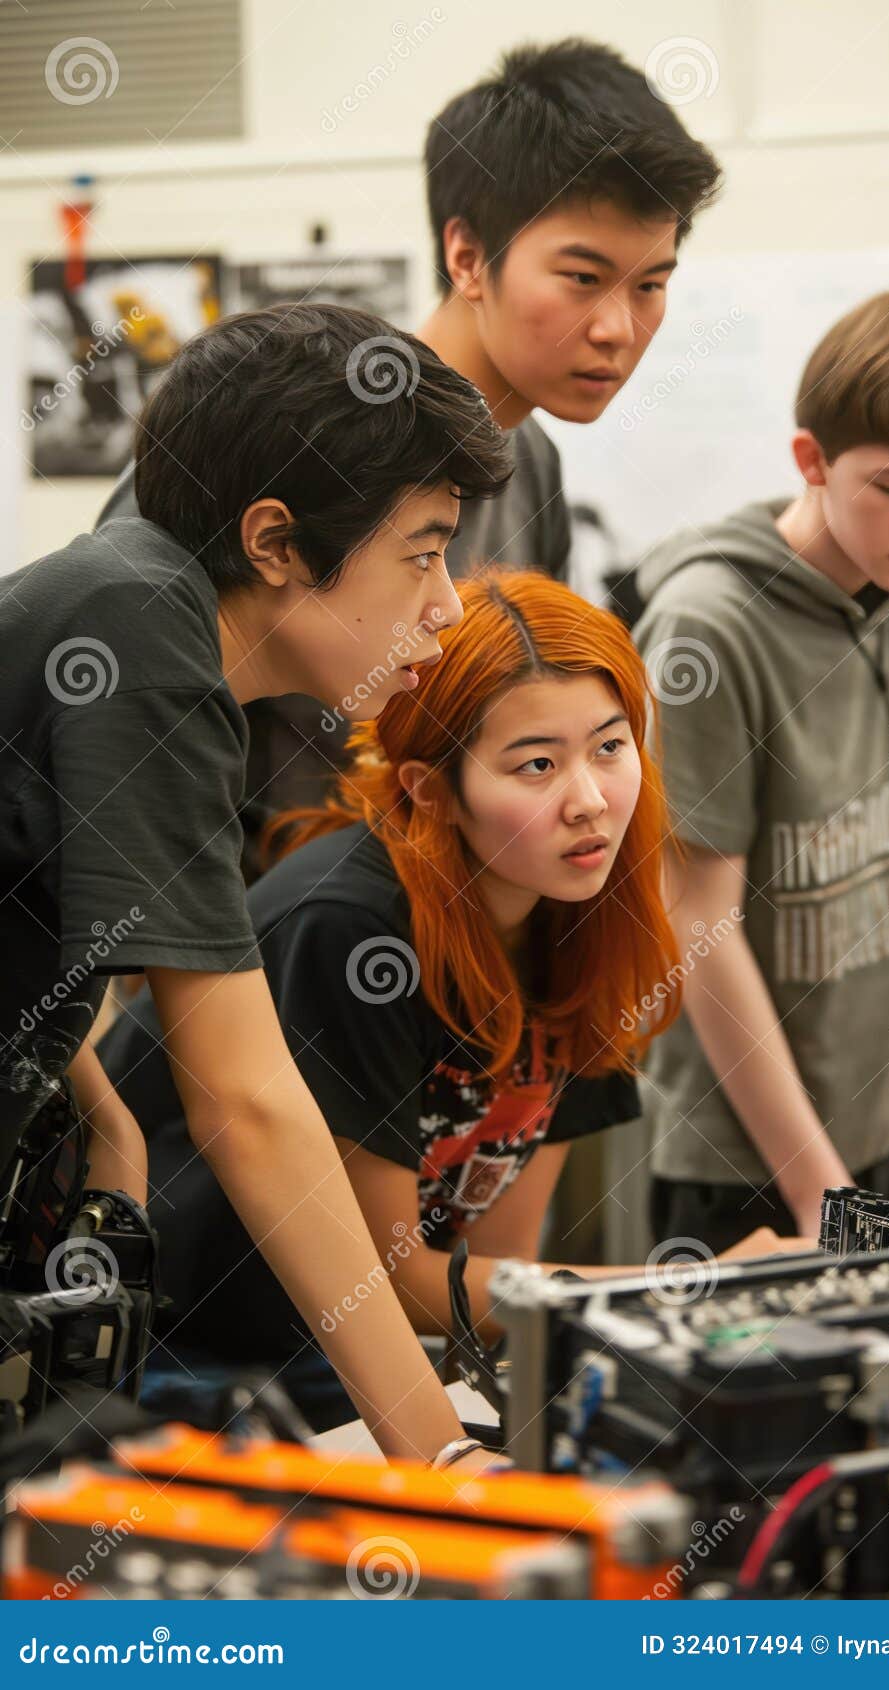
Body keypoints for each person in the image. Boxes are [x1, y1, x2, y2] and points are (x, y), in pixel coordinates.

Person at [98, 569, 809, 1423]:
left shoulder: (592, 921)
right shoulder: (352, 931)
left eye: (611, 746)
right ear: (432, 791)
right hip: (196, 1359)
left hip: (366, 1352)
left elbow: (495, 1267)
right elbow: (397, 1280)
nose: (589, 801)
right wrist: (693, 1287)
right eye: (537, 764)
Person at [0, 299, 515, 1470]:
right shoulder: (141, 637)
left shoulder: (126, 604)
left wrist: (108, 1118)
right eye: (424, 551)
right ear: (276, 542)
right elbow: (246, 1100)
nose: (445, 603)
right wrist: (442, 1464)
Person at [94, 40, 724, 867]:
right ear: (467, 257)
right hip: (260, 946)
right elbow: (116, 699)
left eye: (650, 285)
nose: (618, 328)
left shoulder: (531, 462)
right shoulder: (290, 428)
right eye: (582, 277)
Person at [632, 291, 889, 1250]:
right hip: (748, 1167)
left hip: (886, 1139)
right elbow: (698, 921)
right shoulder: (708, 628)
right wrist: (822, 1196)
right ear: (811, 460)